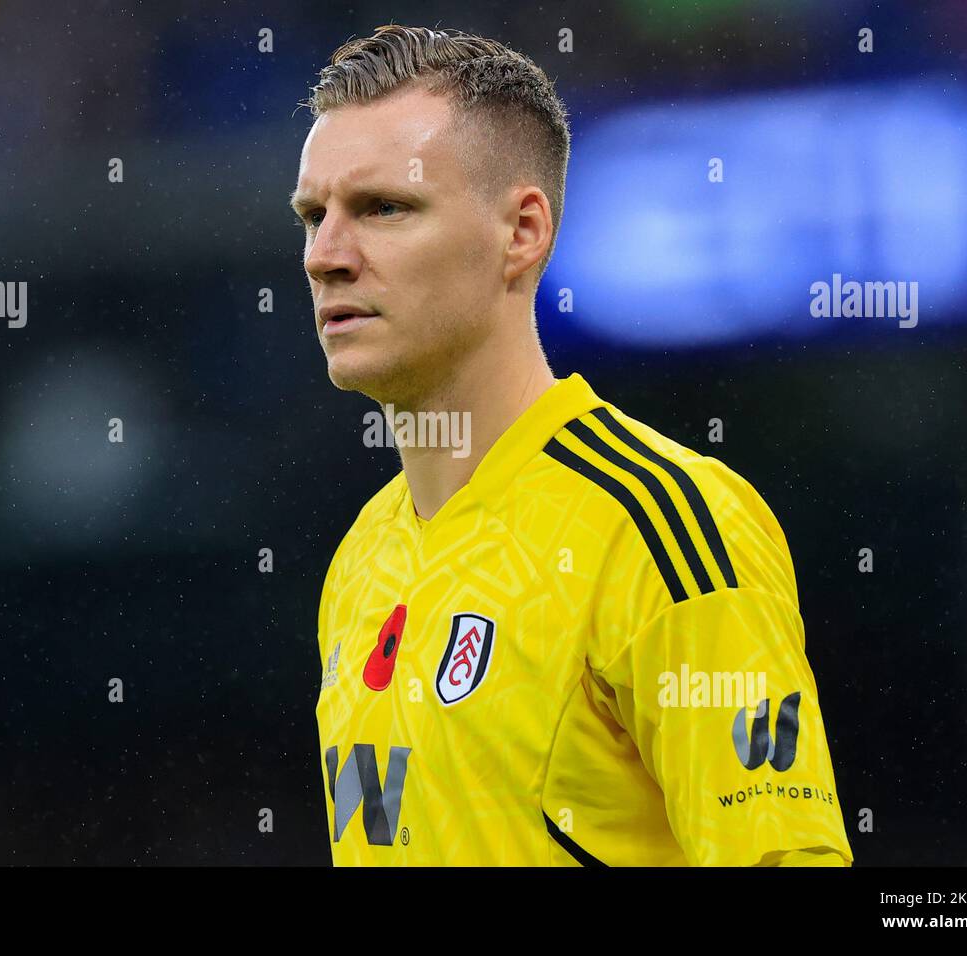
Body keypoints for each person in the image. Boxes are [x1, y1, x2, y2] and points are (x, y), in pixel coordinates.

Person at [292, 23, 853, 866]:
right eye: (313, 215)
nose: (326, 256)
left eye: (383, 208)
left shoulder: (660, 524)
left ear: (521, 233)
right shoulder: (360, 564)